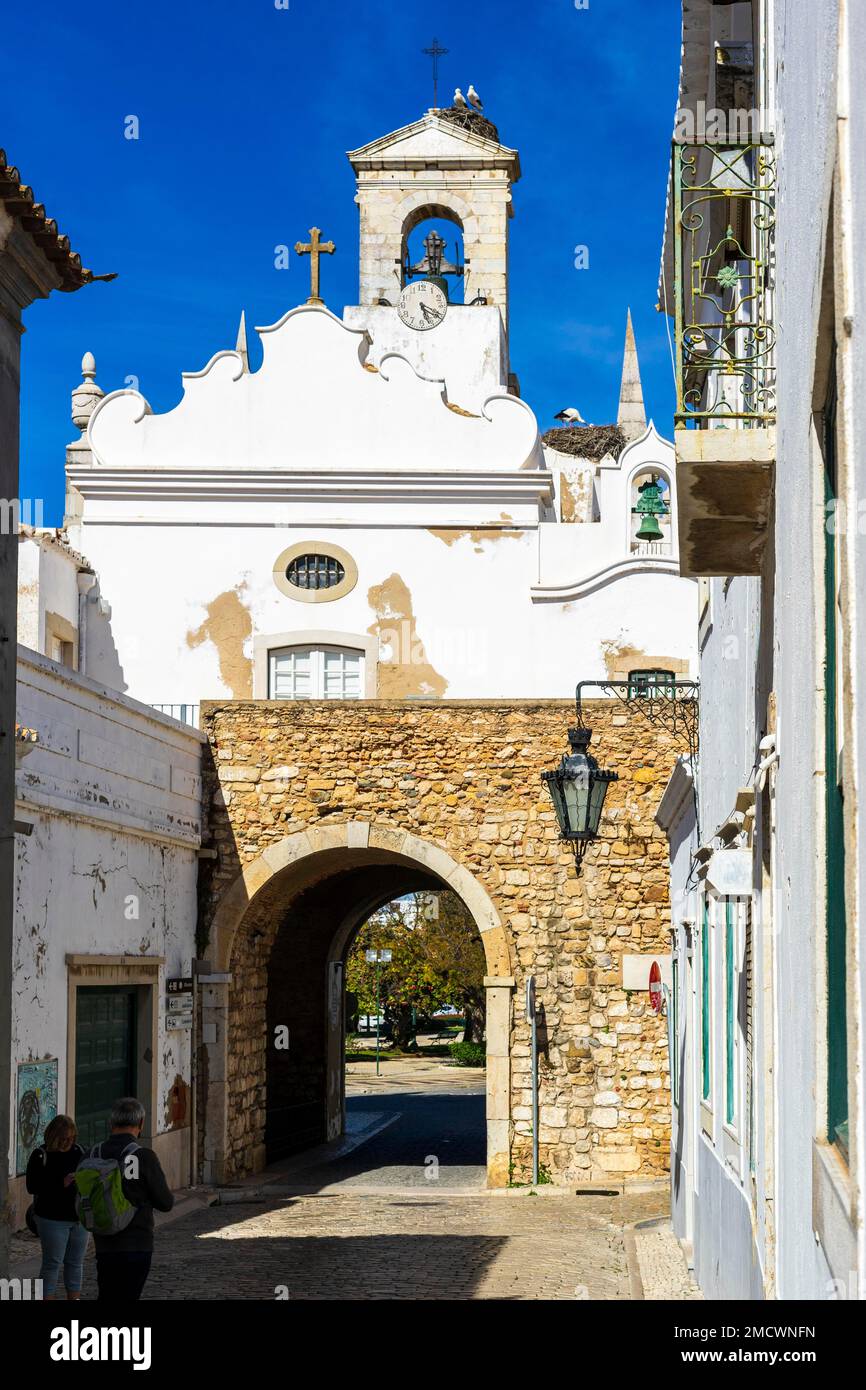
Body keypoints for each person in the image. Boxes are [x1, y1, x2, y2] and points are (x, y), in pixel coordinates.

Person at [91, 1097, 174, 1301]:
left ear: (111, 1123)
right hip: (136, 1242)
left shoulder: (93, 1154)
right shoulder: (142, 1157)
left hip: (104, 1242)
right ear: (141, 1124)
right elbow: (165, 1202)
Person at [25, 1114, 88, 1301]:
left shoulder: (79, 1151)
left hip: (78, 1217)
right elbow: (32, 1186)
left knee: (76, 1262)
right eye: (64, 1139)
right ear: (54, 1136)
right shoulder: (40, 1155)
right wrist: (61, 1183)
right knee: (52, 1263)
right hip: (51, 1218)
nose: (68, 1142)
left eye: (71, 1138)